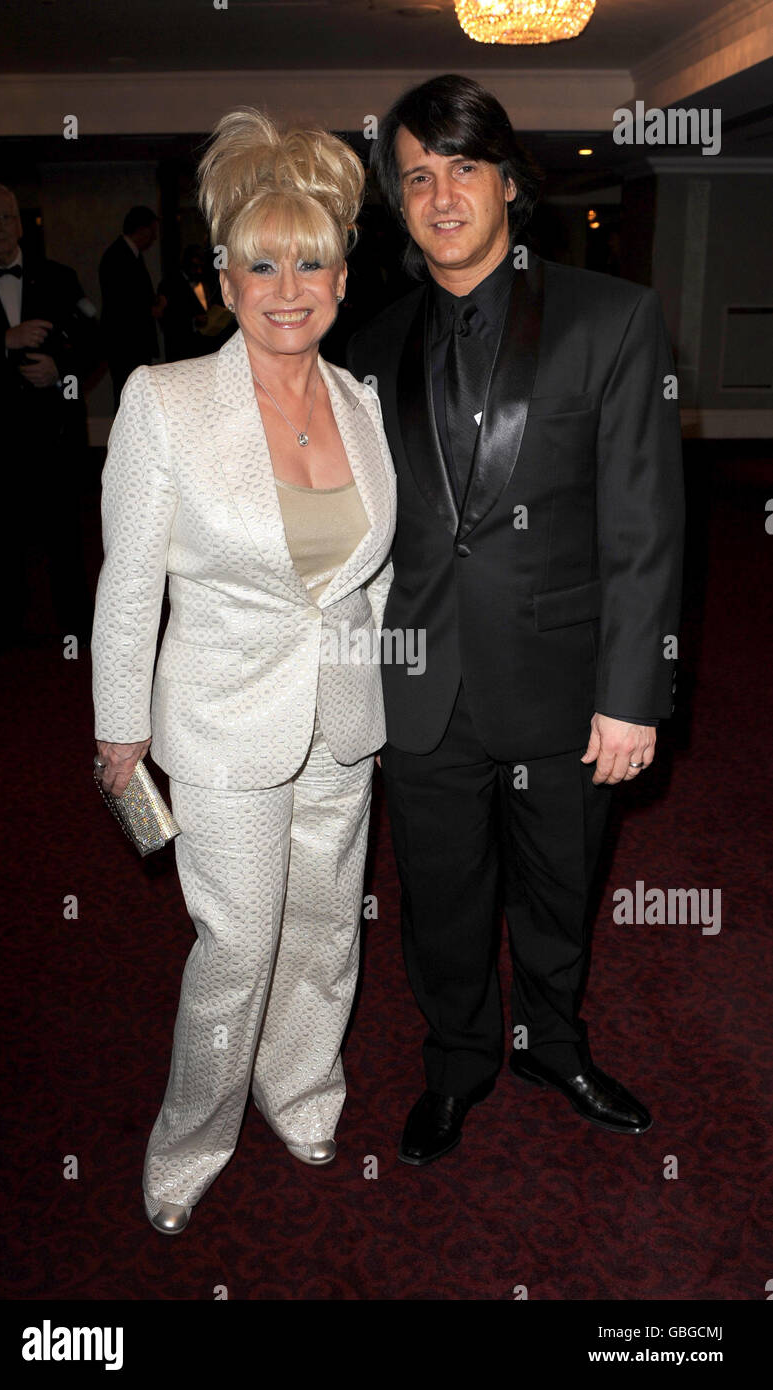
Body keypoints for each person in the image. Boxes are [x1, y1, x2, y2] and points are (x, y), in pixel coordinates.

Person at [347, 74, 685, 1166]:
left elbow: (643, 522)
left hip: (564, 681)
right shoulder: (369, 346)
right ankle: (457, 1063)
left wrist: (632, 695)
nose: (442, 195)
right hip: (421, 685)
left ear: (507, 182)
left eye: (463, 168)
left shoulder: (610, 317)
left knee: (558, 888)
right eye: (417, 178)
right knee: (439, 898)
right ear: (399, 203)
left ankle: (553, 1045)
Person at [91, 109, 396, 1234]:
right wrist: (120, 730)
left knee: (326, 927)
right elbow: (129, 583)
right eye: (260, 264)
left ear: (342, 278)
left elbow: (372, 576)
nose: (286, 288)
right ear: (223, 280)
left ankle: (302, 1087)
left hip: (342, 723)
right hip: (222, 725)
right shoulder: (165, 401)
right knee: (237, 948)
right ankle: (192, 1139)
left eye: (309, 263)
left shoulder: (362, 404)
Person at [0, 181, 97, 654]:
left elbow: (93, 342)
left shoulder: (59, 277)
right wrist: (2, 342)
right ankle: (5, 633)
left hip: (53, 435)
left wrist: (60, 372)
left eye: (5, 218)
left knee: (65, 535)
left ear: (20, 224)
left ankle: (77, 630)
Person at [98, 206, 165, 406]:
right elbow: (119, 304)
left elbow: (136, 294)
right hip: (125, 342)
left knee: (136, 395)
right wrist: (151, 310)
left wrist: (154, 300)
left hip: (133, 341)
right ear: (142, 230)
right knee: (127, 395)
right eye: (152, 232)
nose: (154, 238)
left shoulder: (130, 254)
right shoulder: (117, 256)